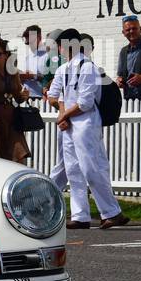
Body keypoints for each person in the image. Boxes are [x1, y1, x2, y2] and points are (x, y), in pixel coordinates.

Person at [48, 29, 127, 229]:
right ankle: (80, 215)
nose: (59, 49)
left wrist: (64, 115)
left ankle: (112, 211)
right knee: (73, 169)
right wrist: (62, 114)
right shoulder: (63, 68)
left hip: (86, 122)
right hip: (69, 123)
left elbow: (85, 103)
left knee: (91, 167)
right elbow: (56, 95)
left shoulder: (88, 67)